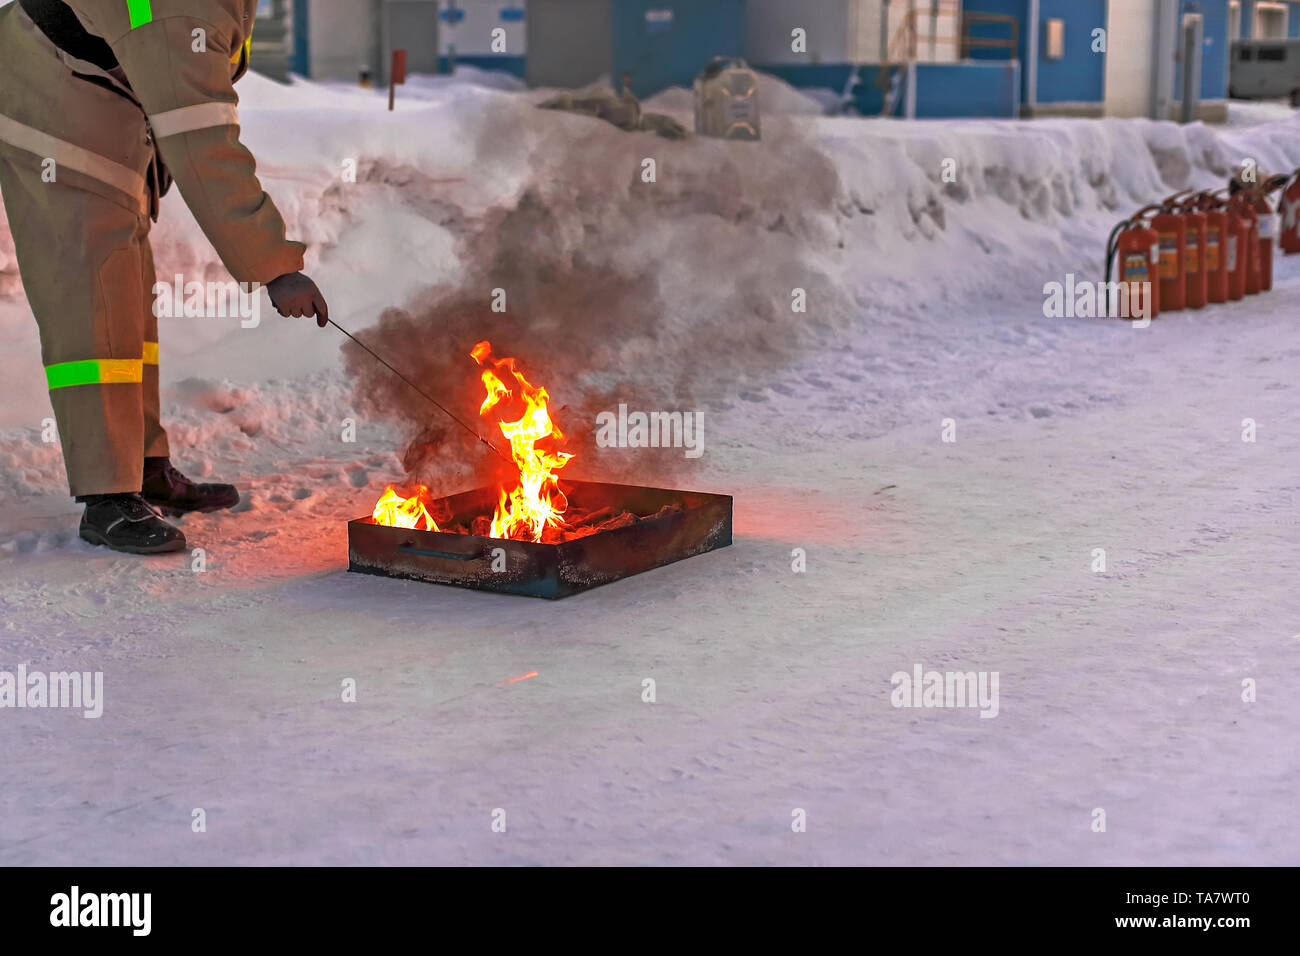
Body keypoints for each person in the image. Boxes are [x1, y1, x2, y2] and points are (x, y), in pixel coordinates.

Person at [0, 0, 328, 553]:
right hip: (47, 95)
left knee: (125, 293)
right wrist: (275, 267)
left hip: (96, 92)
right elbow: (202, 137)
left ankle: (145, 466)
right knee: (93, 297)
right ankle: (107, 498)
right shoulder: (184, 9)